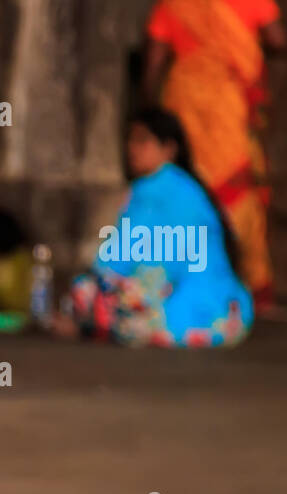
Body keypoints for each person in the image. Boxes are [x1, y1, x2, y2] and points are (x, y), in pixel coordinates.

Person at [143, 0, 286, 315]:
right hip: (228, 105)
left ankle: (179, 280)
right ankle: (251, 288)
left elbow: (154, 61)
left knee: (191, 187)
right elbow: (278, 40)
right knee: (238, 193)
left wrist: (146, 110)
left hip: (184, 103)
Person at [57, 107, 252, 348]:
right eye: (130, 139)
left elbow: (156, 260)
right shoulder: (161, 190)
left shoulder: (170, 192)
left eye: (142, 140)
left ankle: (107, 323)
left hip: (183, 297)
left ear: (169, 148)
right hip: (187, 300)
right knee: (94, 291)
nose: (132, 148)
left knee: (104, 296)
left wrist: (114, 284)